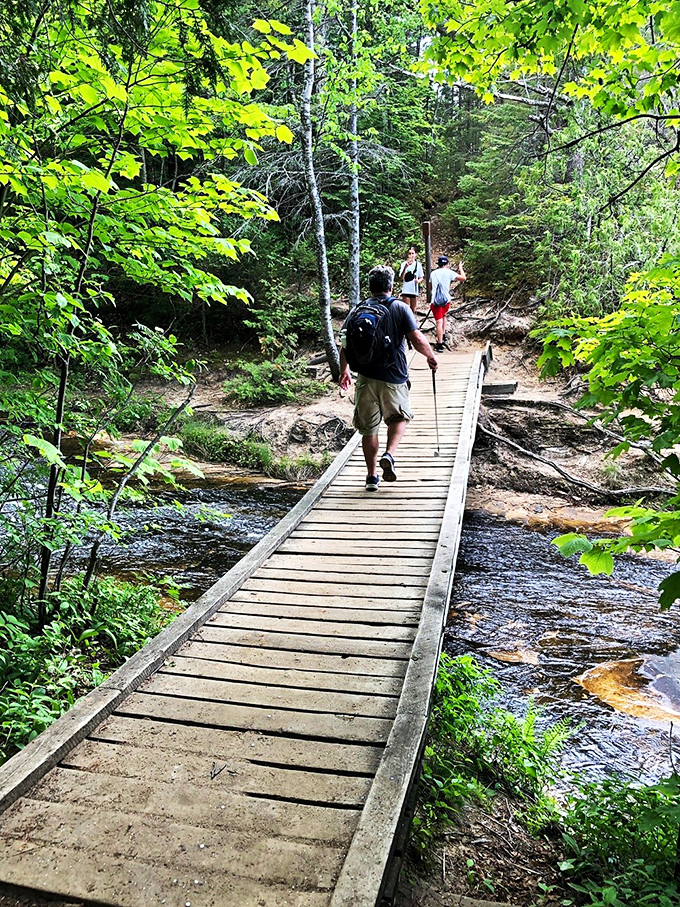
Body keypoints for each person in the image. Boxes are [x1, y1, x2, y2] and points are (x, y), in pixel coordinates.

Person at [339, 264, 438, 491]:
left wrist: (344, 370)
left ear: (371, 287)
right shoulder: (400, 308)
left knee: (368, 429)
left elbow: (344, 344)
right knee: (399, 417)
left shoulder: (357, 309)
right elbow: (416, 338)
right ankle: (389, 454)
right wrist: (431, 356)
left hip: (364, 377)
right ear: (391, 286)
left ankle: (371, 477)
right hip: (394, 376)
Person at [429, 255, 466, 352]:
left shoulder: (433, 273)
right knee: (443, 317)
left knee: (439, 321)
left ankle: (440, 343)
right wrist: (460, 268)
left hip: (435, 301)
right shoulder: (449, 273)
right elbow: (463, 278)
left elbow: (430, 285)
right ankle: (442, 338)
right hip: (446, 300)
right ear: (447, 264)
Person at [398, 246, 424, 314]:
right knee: (405, 309)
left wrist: (418, 281)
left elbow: (421, 277)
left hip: (414, 289)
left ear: (416, 254)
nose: (411, 255)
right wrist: (405, 267)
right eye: (409, 253)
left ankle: (413, 323)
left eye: (413, 253)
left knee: (413, 309)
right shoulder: (403, 264)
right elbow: (401, 277)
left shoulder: (418, 265)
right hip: (406, 289)